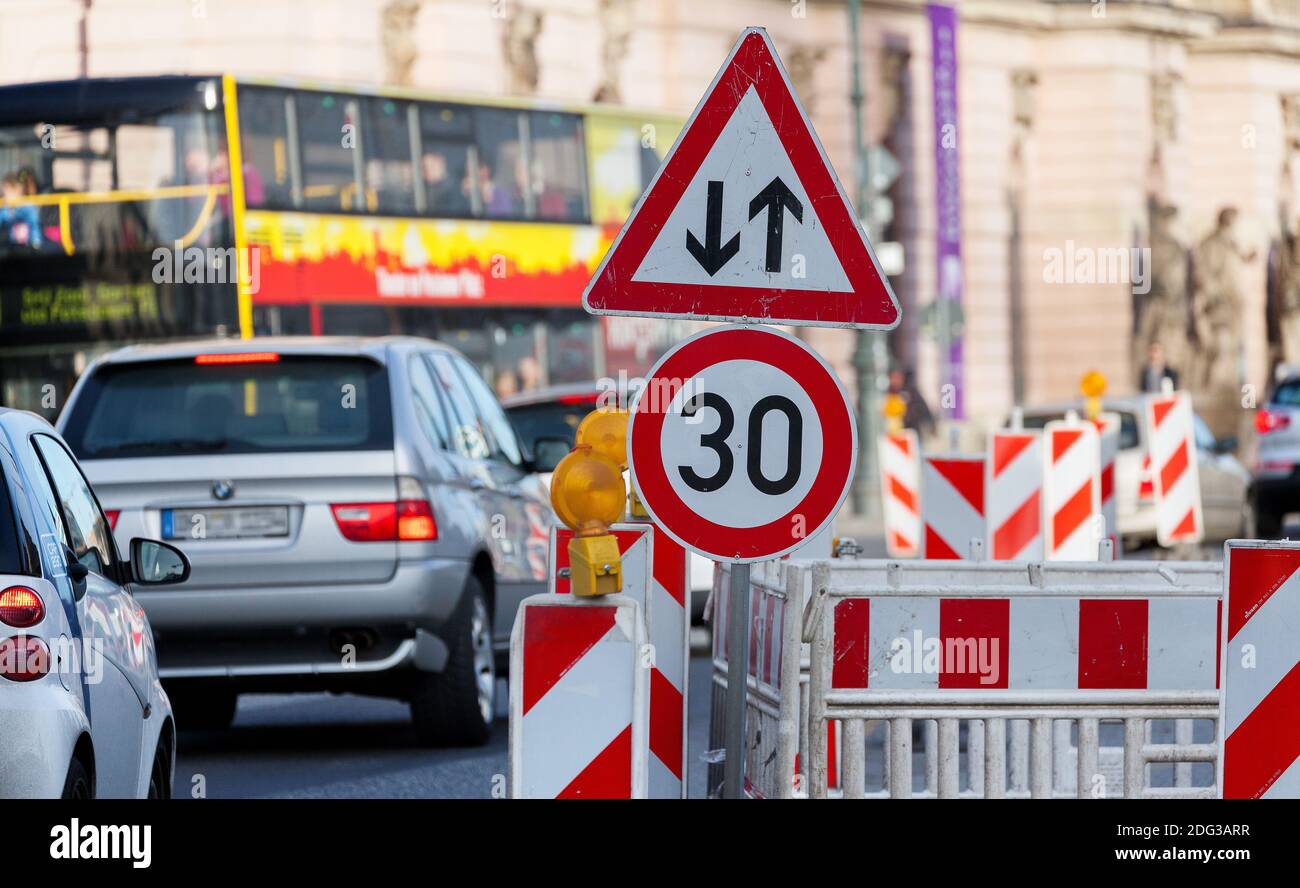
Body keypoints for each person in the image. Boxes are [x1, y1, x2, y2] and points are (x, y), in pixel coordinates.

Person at [887, 367, 935, 439]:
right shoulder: (886, 394)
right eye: (893, 378)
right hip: (890, 435)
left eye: (898, 378)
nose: (895, 381)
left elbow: (922, 409)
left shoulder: (911, 393)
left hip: (910, 433)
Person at [0, 173, 42, 249]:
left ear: (18, 191)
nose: (6, 197)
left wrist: (36, 241)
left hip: (30, 244)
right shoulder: (5, 209)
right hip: (13, 245)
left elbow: (34, 224)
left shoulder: (28, 207)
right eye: (5, 194)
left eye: (10, 193)